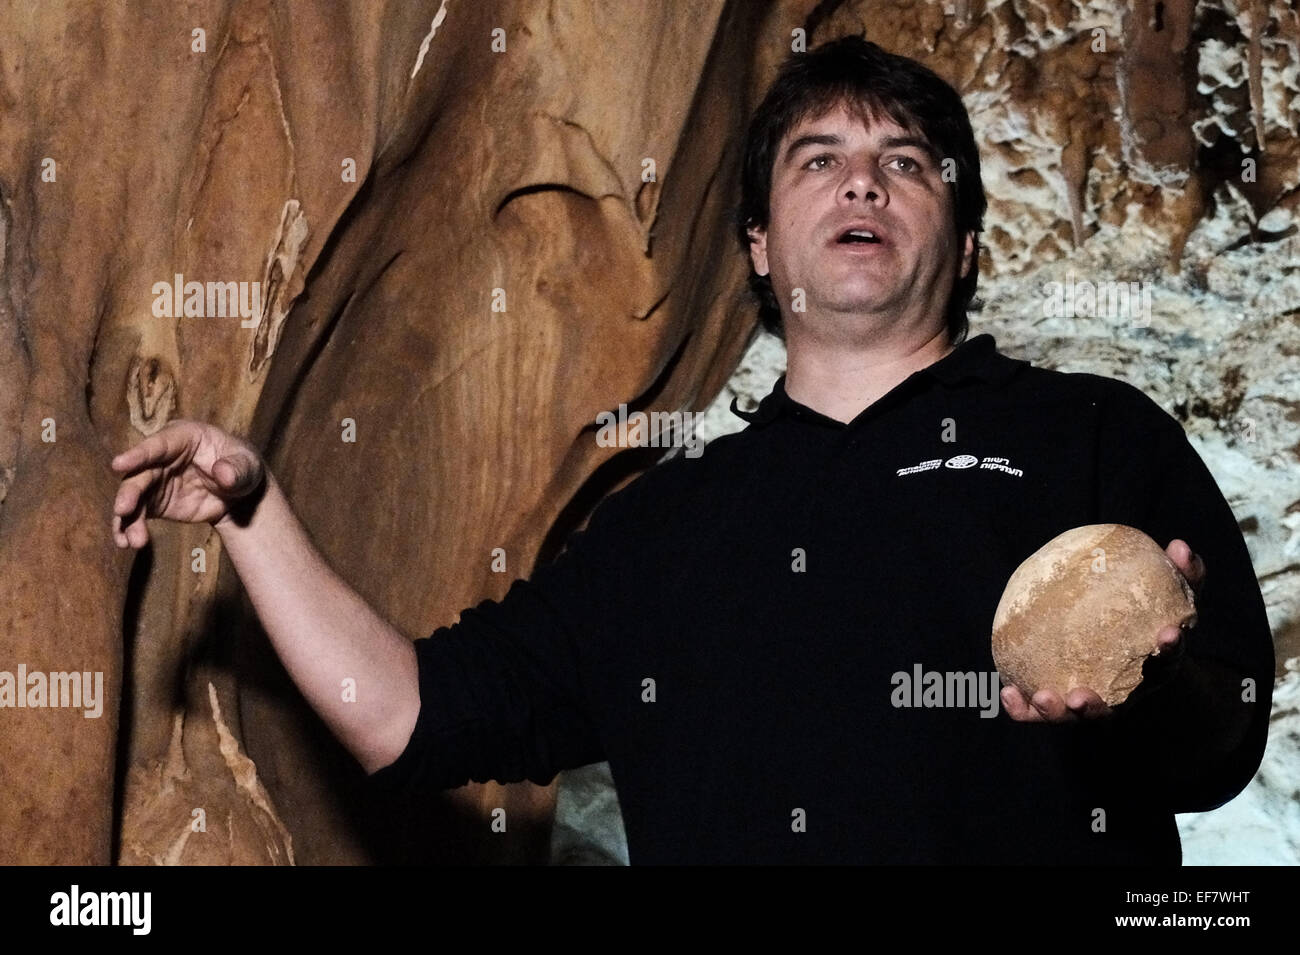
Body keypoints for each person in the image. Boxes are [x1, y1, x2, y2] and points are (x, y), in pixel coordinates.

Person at [110, 36, 1274, 863]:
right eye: (816, 159)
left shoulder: (1091, 434)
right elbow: (409, 715)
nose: (862, 178)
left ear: (965, 243)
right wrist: (257, 518)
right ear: (761, 249)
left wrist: (1150, 680)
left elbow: (1222, 741)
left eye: (906, 161)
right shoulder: (661, 529)